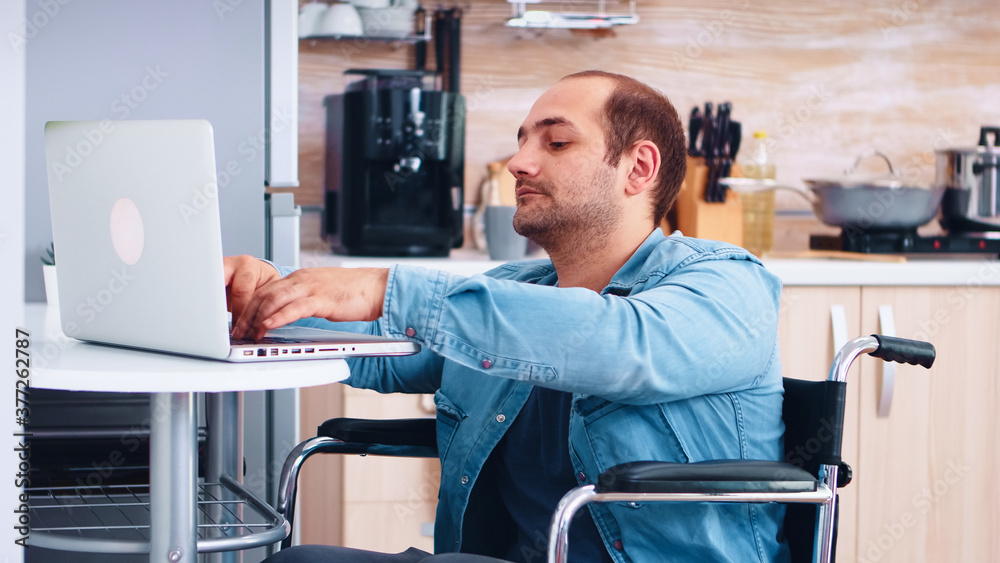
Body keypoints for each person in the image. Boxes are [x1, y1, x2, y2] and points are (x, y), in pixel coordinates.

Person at [228, 70, 789, 563]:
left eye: (557, 142)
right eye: (522, 141)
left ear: (638, 167)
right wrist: (260, 298)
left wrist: (389, 288)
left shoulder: (727, 285)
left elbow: (621, 345)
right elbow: (373, 339)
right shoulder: (507, 293)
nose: (520, 162)